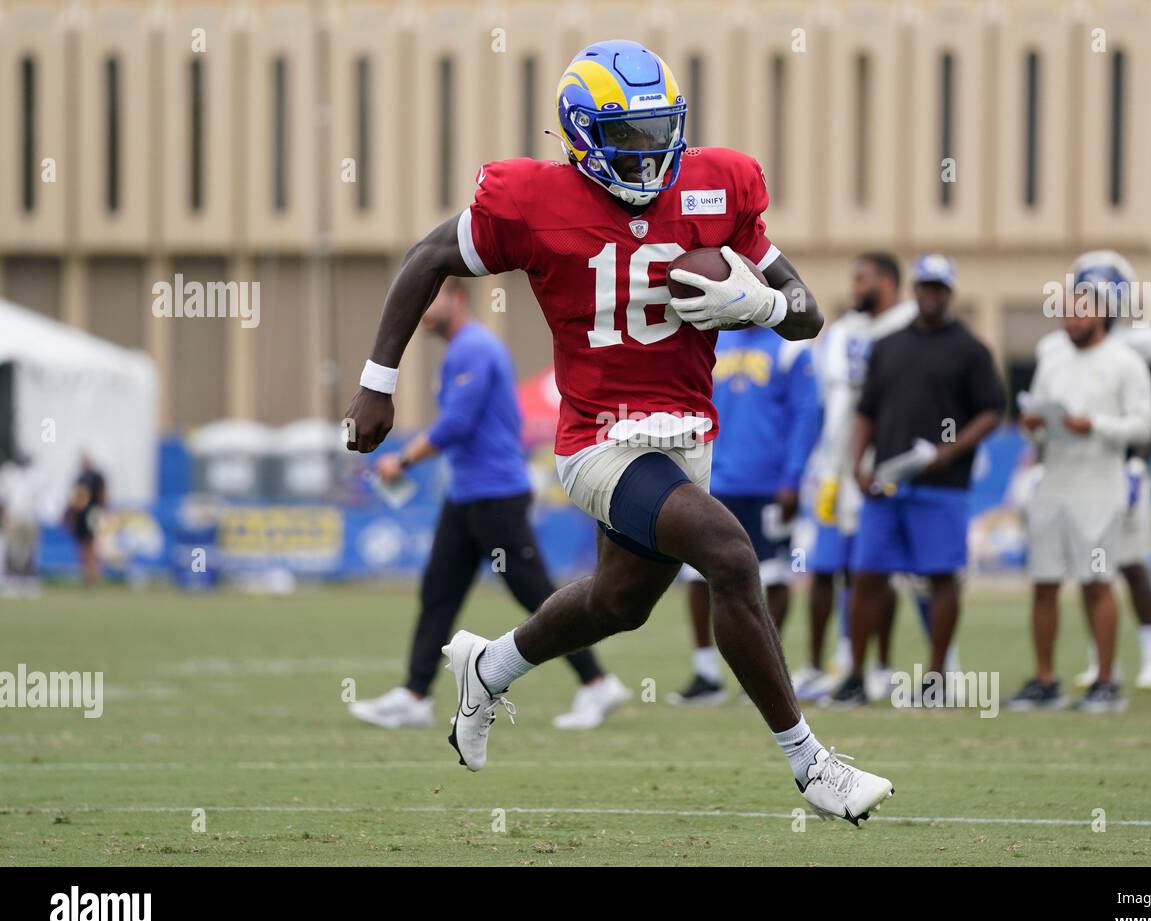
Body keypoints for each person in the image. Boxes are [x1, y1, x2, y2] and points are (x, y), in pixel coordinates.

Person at [343, 40, 894, 824]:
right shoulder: (530, 199)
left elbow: (807, 313)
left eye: (659, 130)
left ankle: (487, 667)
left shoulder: (717, 184)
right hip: (600, 439)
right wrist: (377, 385)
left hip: (684, 437)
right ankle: (813, 766)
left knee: (617, 604)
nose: (650, 154)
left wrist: (765, 307)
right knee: (732, 556)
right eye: (628, 137)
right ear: (580, 137)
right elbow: (427, 255)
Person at [349, 279, 629, 731]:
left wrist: (401, 460)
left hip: (495, 494)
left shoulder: (475, 348)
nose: (421, 308)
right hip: (466, 496)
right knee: (439, 593)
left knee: (536, 594)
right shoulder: (462, 350)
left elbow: (458, 423)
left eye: (430, 297)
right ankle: (415, 694)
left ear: (457, 298)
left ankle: (597, 683)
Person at [835, 254, 1004, 707]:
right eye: (924, 287)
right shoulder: (888, 345)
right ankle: (854, 674)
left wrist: (951, 450)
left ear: (950, 293)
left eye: (938, 288)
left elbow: (992, 409)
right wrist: (857, 462)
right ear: (915, 290)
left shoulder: (969, 349)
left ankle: (935, 677)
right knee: (868, 574)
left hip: (941, 483)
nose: (930, 295)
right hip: (888, 480)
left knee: (940, 577)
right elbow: (866, 411)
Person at [1009, 260, 1151, 713]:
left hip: (1099, 485)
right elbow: (1034, 419)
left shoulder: (1126, 362)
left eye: (1081, 311)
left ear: (1103, 314)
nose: (1071, 318)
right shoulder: (1052, 354)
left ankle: (1106, 682)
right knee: (1044, 583)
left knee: (1097, 582)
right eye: (1068, 310)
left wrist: (1090, 424)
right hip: (1054, 481)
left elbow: (1143, 427)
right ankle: (1045, 680)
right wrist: (1034, 424)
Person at [1034, 251, 1151, 692]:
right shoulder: (1055, 351)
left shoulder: (1136, 349)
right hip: (1064, 477)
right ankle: (1097, 660)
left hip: (1116, 470)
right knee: (1083, 572)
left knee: (1128, 564)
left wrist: (1138, 463)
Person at [668, 323, 820, 705]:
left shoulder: (791, 348)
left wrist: (793, 476)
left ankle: (766, 673)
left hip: (768, 485)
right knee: (697, 576)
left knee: (773, 577)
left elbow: (806, 415)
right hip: (713, 479)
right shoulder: (713, 338)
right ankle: (706, 674)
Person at [797, 253, 920, 703]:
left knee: (877, 572)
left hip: (885, 464)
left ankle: (881, 665)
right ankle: (822, 664)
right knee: (825, 568)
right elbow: (825, 402)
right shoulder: (842, 331)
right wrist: (820, 465)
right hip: (836, 467)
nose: (853, 288)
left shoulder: (908, 326)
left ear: (887, 282)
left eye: (861, 279)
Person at [0, 453, 40, 594]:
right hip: (13, 517)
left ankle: (28, 579)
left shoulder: (33, 475)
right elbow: (4, 498)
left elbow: (36, 498)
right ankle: (11, 579)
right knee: (12, 549)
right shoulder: (8, 474)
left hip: (29, 518)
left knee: (28, 549)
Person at [65, 452, 105, 586]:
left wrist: (101, 511)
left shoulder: (97, 477)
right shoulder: (79, 478)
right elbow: (74, 499)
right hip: (80, 516)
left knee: (92, 545)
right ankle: (87, 574)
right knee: (83, 547)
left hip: (92, 514)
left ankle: (93, 574)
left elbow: (103, 495)